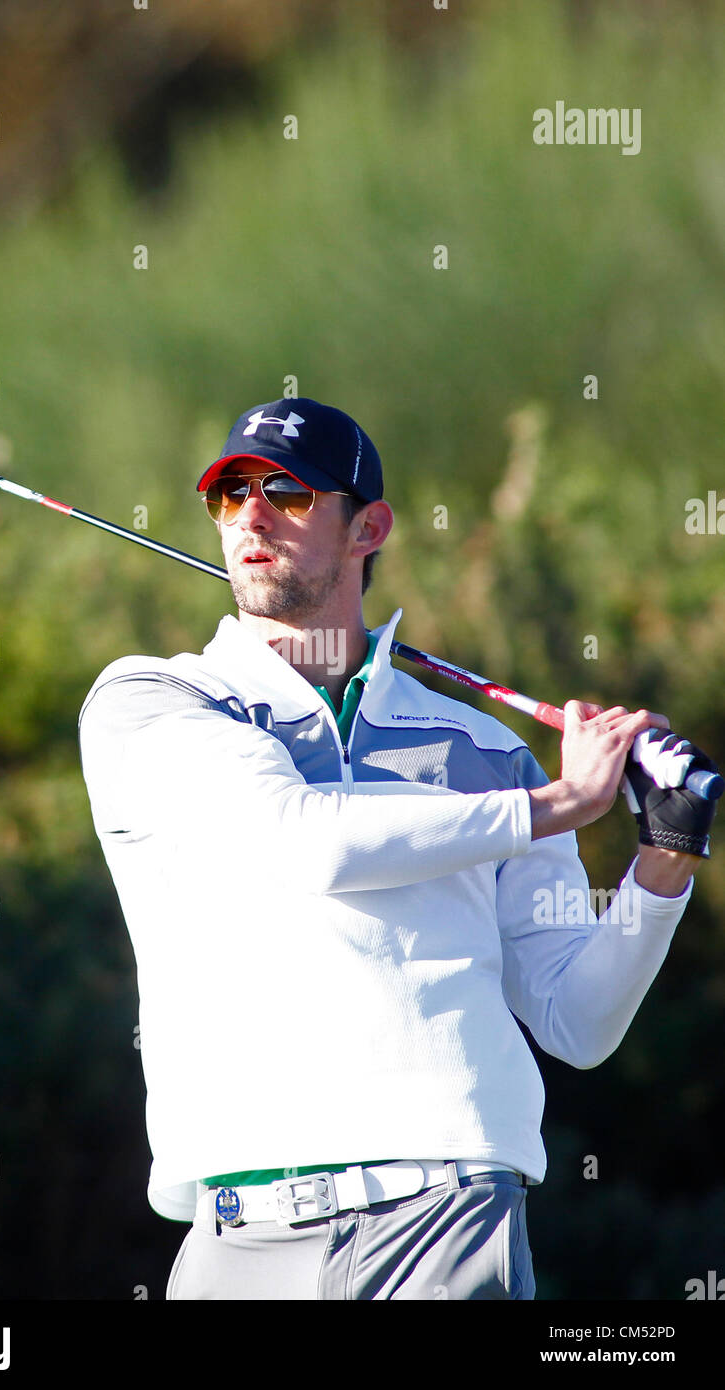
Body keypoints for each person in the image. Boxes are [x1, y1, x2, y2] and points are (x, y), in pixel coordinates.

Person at [77, 397, 717, 1300]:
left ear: (367, 527)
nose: (251, 516)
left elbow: (578, 1019)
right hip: (237, 1239)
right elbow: (303, 840)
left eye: (288, 494)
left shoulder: (488, 751)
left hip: (446, 1221)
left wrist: (663, 858)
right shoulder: (153, 703)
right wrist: (559, 802)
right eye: (230, 496)